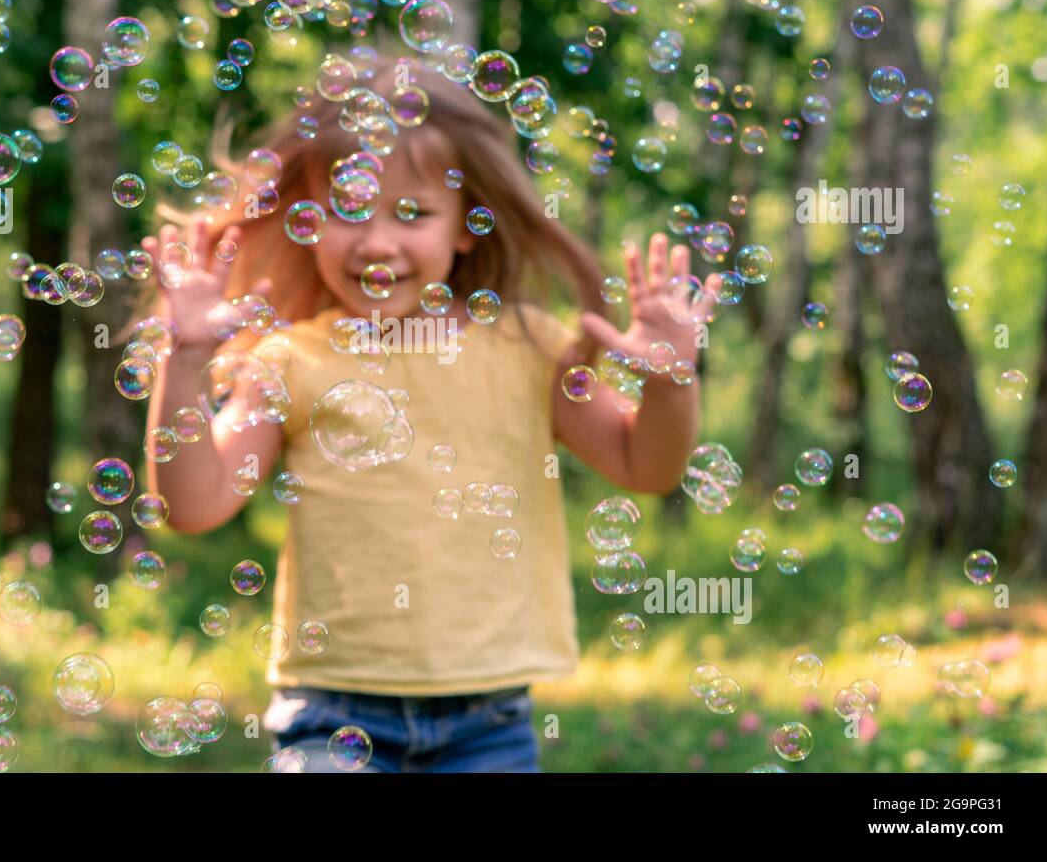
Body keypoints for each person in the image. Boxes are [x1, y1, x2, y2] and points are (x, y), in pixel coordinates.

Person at [141, 61, 719, 772]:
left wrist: (668, 385)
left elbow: (647, 465)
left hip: (489, 722)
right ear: (308, 218)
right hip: (330, 716)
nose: (377, 241)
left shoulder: (529, 347)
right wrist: (186, 362)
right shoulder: (291, 361)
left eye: (411, 213)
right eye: (347, 208)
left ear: (468, 225)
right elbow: (193, 504)